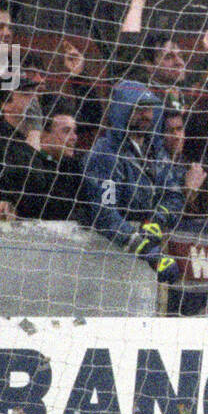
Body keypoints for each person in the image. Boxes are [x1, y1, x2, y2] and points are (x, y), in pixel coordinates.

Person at [84, 79, 184, 284]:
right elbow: (105, 215)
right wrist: (148, 251)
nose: (147, 115)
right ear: (122, 110)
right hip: (105, 258)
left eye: (149, 109)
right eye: (139, 109)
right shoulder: (105, 153)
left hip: (144, 259)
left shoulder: (156, 151)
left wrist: (157, 220)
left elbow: (174, 195)